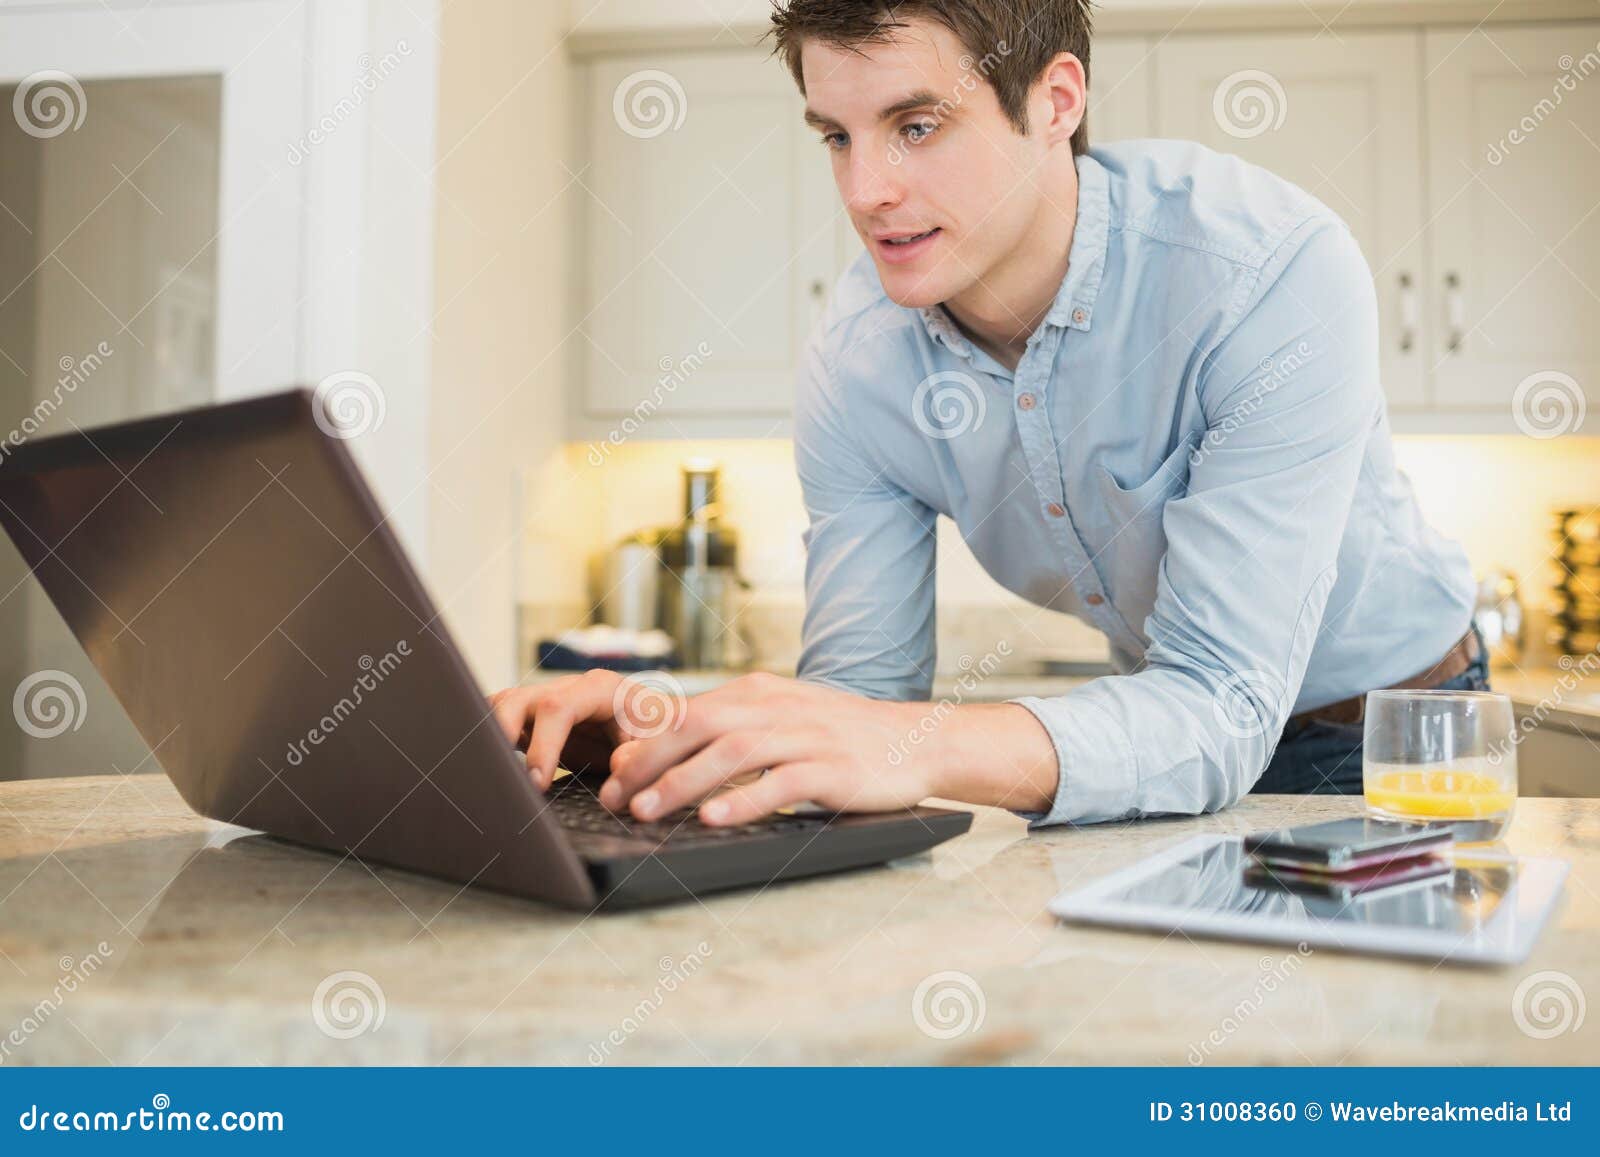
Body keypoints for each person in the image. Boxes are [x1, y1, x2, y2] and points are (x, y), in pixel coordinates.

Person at [489, 0, 1486, 829]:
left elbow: (1223, 704)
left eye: (916, 125)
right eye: (837, 135)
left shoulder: (1263, 274)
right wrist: (672, 727)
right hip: (1163, 743)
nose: (866, 190)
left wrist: (918, 744)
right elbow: (857, 710)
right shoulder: (858, 358)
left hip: (1393, 734)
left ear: (1054, 102)